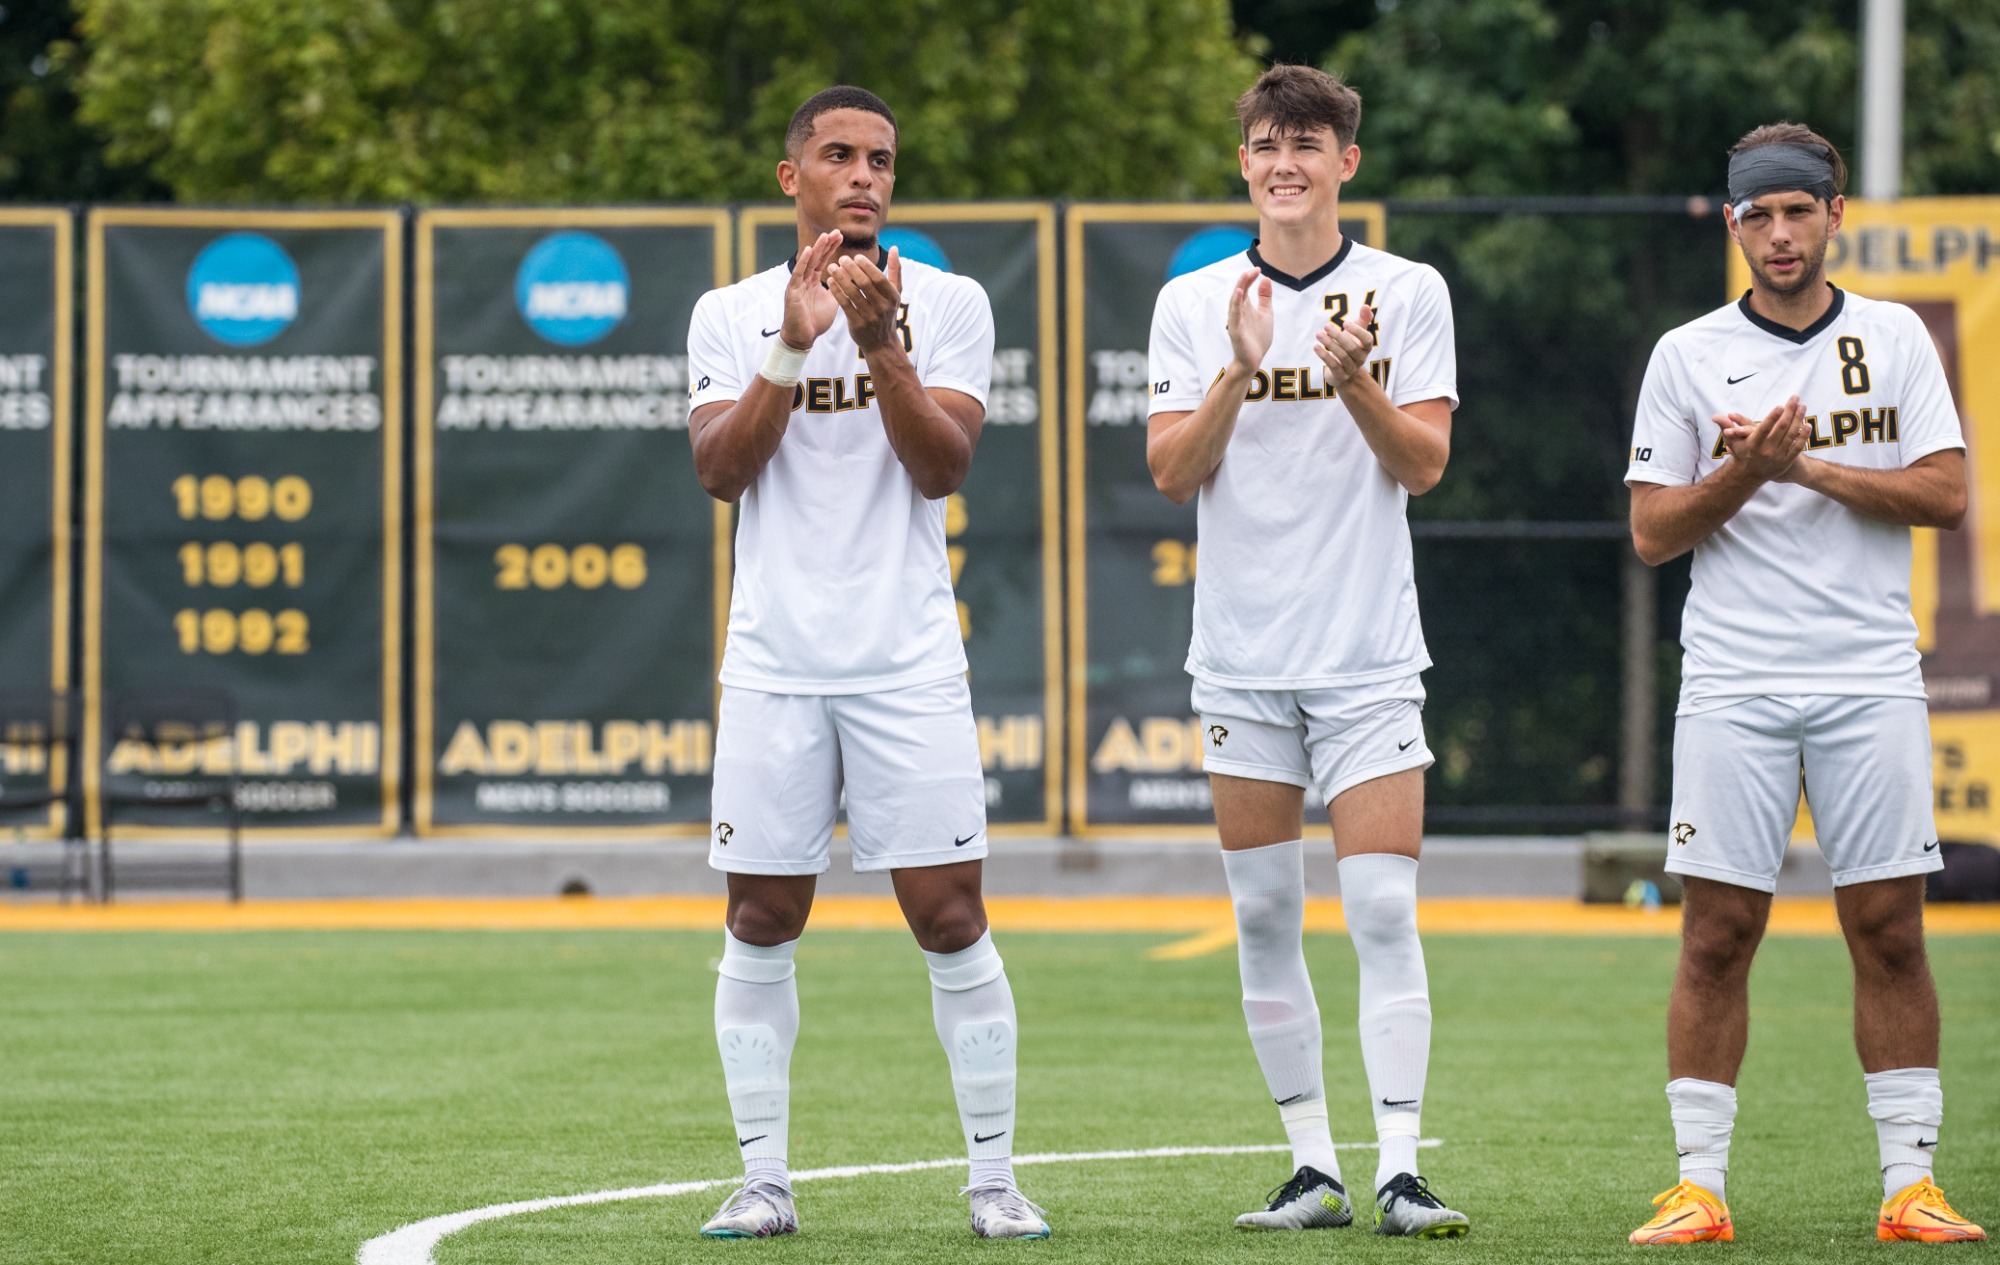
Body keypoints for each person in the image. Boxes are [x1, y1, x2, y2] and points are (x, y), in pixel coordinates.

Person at [683, 84, 1048, 1242]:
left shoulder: (948, 302)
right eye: (837, 156)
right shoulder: (729, 310)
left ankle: (992, 1178)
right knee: (760, 914)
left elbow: (941, 466)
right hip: (775, 660)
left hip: (905, 658)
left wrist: (878, 338)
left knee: (948, 914)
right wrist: (793, 343)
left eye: (879, 159)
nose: (862, 177)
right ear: (790, 177)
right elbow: (719, 470)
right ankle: (762, 1180)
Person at [1624, 122, 1984, 1246]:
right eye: (1756, 216)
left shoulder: (1893, 341)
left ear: (1835, 216)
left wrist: (1805, 466)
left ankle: (1907, 1183)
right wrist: (1744, 471)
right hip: (1732, 674)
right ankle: (1696, 1185)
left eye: (1797, 211)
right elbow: (1650, 533)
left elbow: (1943, 495)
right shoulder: (1685, 352)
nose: (1777, 234)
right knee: (1716, 929)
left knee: (1886, 924)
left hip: (1867, 671)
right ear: (1732, 225)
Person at [1145, 63, 1469, 1239]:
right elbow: (1173, 470)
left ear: (1347, 162)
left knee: (1381, 910)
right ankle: (1309, 1165)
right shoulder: (1193, 300)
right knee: (1265, 916)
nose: (1286, 162)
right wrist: (1239, 365)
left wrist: (1350, 382)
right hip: (1239, 655)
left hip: (1367, 652)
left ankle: (1398, 1167)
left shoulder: (1405, 290)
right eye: (1267, 143)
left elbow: (1421, 464)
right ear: (1243, 163)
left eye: (1308, 142)